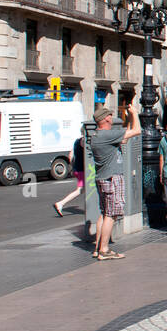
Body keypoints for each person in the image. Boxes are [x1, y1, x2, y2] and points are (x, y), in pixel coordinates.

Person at [91, 104, 141, 260]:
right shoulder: (107, 135)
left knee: (105, 213)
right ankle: (104, 250)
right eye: (110, 116)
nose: (112, 118)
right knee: (111, 214)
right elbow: (137, 131)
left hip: (103, 177)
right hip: (112, 178)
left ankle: (98, 248)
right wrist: (135, 113)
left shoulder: (97, 136)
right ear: (106, 119)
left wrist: (130, 119)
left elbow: (124, 138)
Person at [54, 135, 87, 217]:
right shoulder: (84, 141)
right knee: (80, 190)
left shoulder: (76, 141)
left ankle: (90, 208)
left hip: (77, 169)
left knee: (86, 189)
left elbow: (70, 155)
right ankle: (60, 203)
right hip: (82, 170)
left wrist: (73, 167)